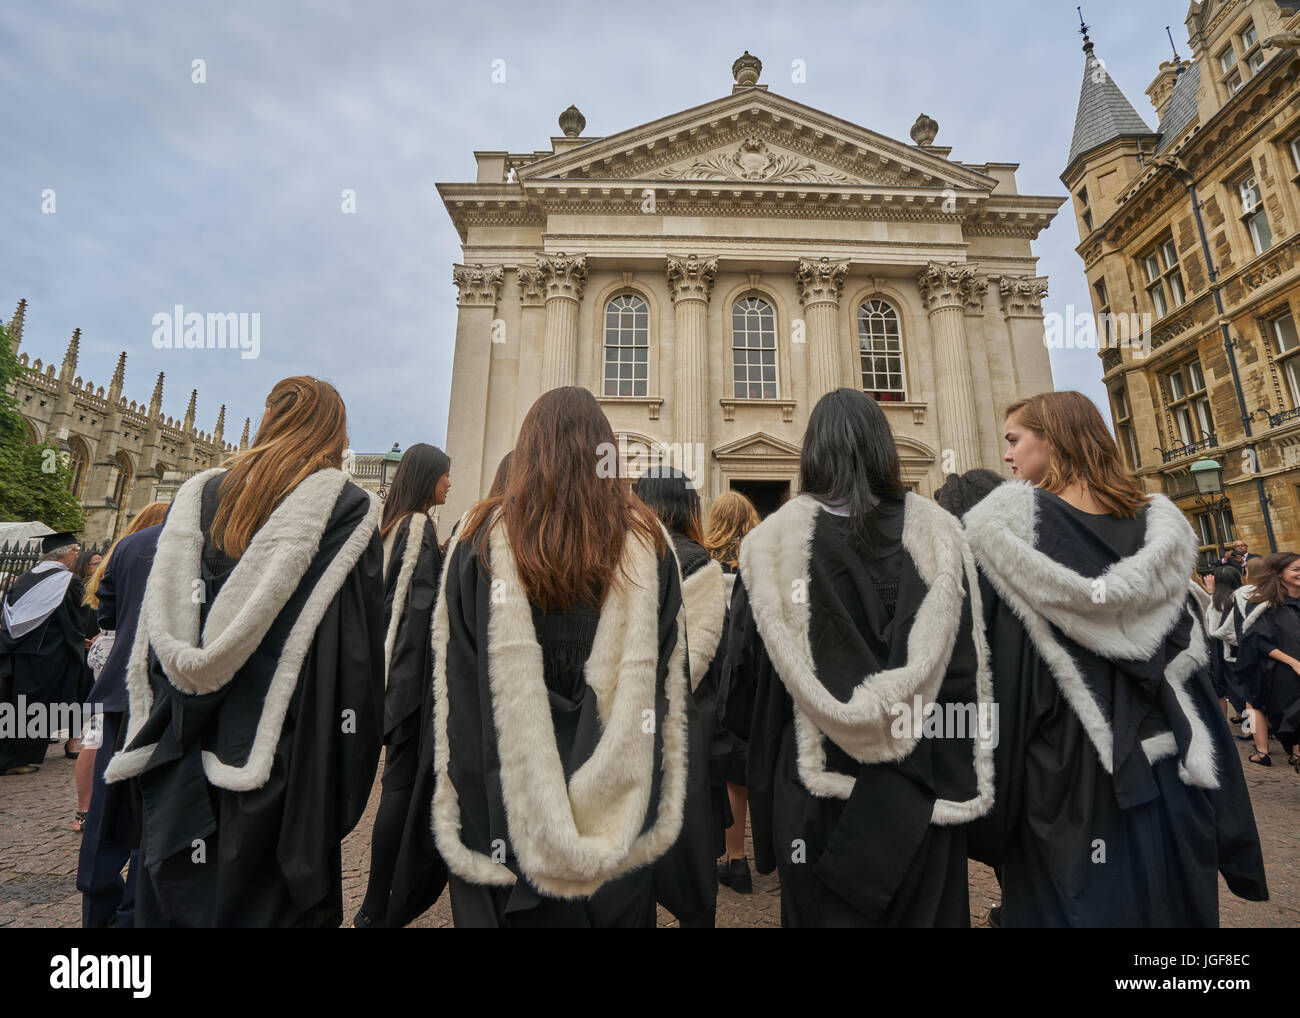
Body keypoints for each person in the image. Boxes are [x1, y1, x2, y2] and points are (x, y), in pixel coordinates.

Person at [964, 391, 1267, 926]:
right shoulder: (1161, 534)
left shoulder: (1005, 541)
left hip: (1066, 775)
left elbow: (1000, 684)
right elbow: (1193, 678)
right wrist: (1231, 820)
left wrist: (989, 812)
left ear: (1052, 439)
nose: (1006, 455)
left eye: (1014, 440)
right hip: (1174, 768)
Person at [103, 376, 386, 927]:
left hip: (183, 746)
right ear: (336, 430)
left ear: (268, 417)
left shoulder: (201, 495)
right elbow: (356, 659)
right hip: (282, 755)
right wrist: (342, 782)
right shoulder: (347, 508)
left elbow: (154, 629)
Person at [722, 388, 993, 927]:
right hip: (924, 786)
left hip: (816, 787)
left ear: (812, 451)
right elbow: (974, 666)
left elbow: (743, 682)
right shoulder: (942, 534)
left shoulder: (772, 546)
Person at [432, 386, 694, 928]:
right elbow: (669, 697)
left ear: (529, 450)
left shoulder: (478, 541)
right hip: (615, 829)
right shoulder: (649, 546)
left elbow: (455, 689)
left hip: (502, 815)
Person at [355, 443, 451, 928]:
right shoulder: (416, 526)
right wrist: (407, 695)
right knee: (398, 787)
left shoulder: (391, 523)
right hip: (408, 681)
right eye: (445, 476)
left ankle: (379, 902)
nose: (450, 484)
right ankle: (376, 905)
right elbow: (410, 613)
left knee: (398, 787)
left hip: (393, 677)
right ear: (426, 478)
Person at [633, 467, 728, 927]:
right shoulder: (699, 563)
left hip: (630, 732)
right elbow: (697, 661)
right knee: (692, 872)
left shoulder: (628, 557)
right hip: (684, 735)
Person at [76, 500, 168, 927]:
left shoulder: (129, 545)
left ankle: (96, 910)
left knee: (105, 810)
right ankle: (133, 911)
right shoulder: (206, 544)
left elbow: (107, 614)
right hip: (167, 697)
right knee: (152, 809)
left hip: (120, 692)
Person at [701, 489, 759, 892]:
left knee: (716, 768)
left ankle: (721, 854)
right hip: (749, 675)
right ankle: (741, 858)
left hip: (713, 674)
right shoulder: (758, 564)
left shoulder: (702, 564)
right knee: (745, 770)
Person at [0, 532, 96, 775]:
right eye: (75, 550)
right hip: (49, 654)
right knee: (38, 706)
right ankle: (19, 759)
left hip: (19, 651)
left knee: (16, 702)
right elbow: (75, 621)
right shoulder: (68, 581)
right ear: (64, 553)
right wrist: (79, 642)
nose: (76, 555)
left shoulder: (24, 578)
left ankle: (9, 752)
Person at [1236, 552, 1300, 773]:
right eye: (1296, 569)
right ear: (1280, 574)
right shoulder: (1264, 606)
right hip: (1280, 675)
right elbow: (1257, 641)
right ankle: (1267, 750)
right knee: (1256, 706)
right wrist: (1293, 662)